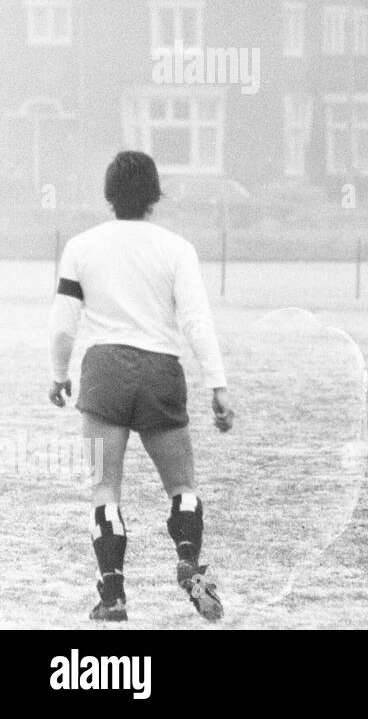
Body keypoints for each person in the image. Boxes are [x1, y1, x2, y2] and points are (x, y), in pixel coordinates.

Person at [46, 151, 233, 622]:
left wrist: (58, 373)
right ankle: (189, 559)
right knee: (183, 485)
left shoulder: (81, 246)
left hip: (104, 371)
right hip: (160, 371)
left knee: (104, 490)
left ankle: (113, 596)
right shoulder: (176, 249)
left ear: (109, 195)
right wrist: (218, 384)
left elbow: (63, 323)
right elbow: (195, 320)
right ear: (154, 194)